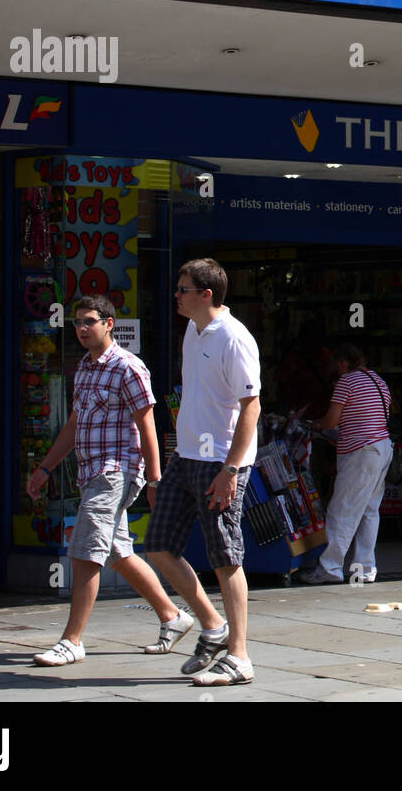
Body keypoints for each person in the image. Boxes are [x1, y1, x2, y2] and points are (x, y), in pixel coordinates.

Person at [27, 295, 192, 666]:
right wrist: (45, 468)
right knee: (117, 552)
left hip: (115, 471)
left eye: (89, 321)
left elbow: (147, 423)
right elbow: (74, 425)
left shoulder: (127, 367)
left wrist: (154, 480)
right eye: (77, 322)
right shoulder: (84, 368)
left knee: (86, 550)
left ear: (109, 324)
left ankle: (71, 641)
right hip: (90, 471)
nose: (82, 328)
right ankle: (173, 616)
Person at [144, 258, 262, 686]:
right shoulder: (192, 334)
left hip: (221, 463)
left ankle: (240, 656)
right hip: (187, 457)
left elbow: (252, 405)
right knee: (157, 546)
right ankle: (213, 626)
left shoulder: (233, 338)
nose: (176, 295)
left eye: (183, 289)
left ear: (206, 294)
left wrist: (230, 469)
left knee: (226, 557)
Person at [300, 344, 394, 585]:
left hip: (360, 452)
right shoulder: (378, 380)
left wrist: (317, 424)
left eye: (337, 364)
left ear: (343, 362)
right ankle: (365, 569)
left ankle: (329, 568)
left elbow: (331, 420)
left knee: (341, 511)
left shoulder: (347, 382)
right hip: (382, 448)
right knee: (369, 512)